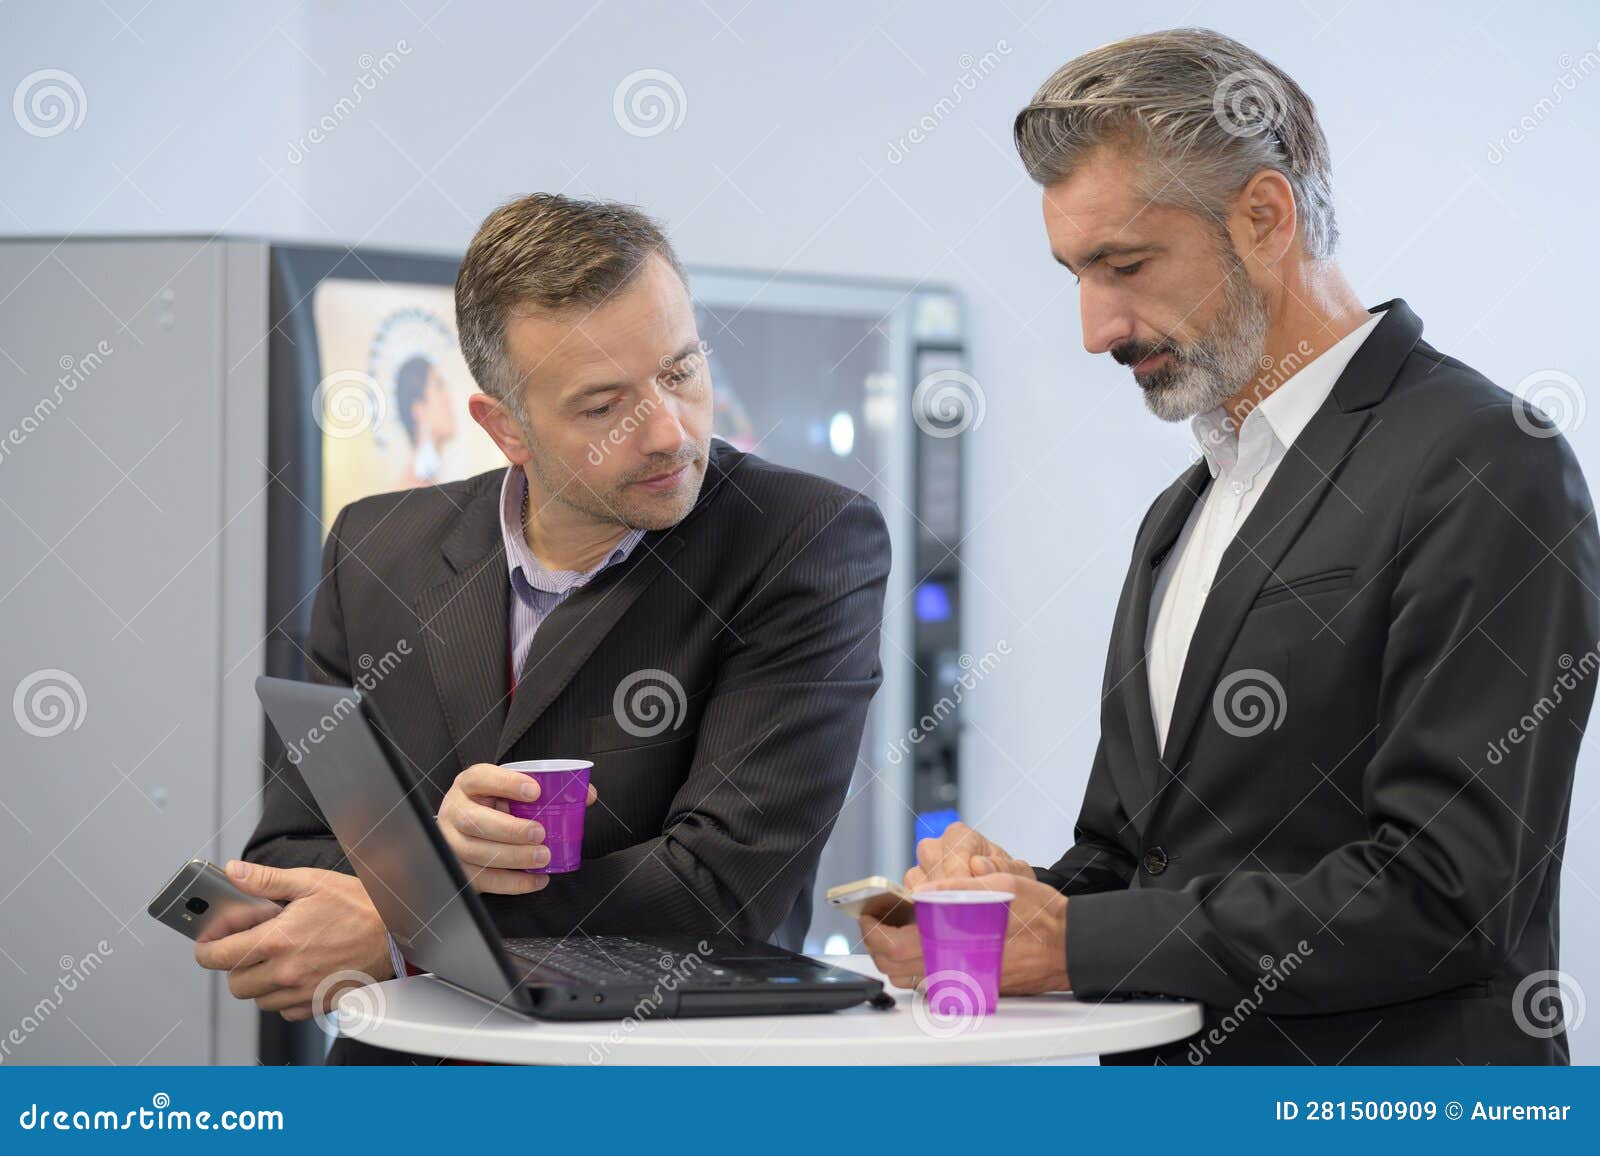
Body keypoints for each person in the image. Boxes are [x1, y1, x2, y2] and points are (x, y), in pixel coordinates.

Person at [861, 28, 1598, 1064]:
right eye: (1075, 272)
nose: (1093, 326)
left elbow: (1449, 890)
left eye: (1122, 264)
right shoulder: (1181, 509)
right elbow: (1135, 859)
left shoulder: (1484, 459)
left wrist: (1067, 940)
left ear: (1263, 216)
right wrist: (1012, 906)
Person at [196, 193, 892, 1063]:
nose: (670, 432)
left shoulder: (803, 539)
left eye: (680, 371)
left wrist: (408, 920)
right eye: (604, 407)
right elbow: (295, 846)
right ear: (503, 427)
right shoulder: (379, 546)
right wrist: (417, 880)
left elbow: (719, 890)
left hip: (651, 1081)